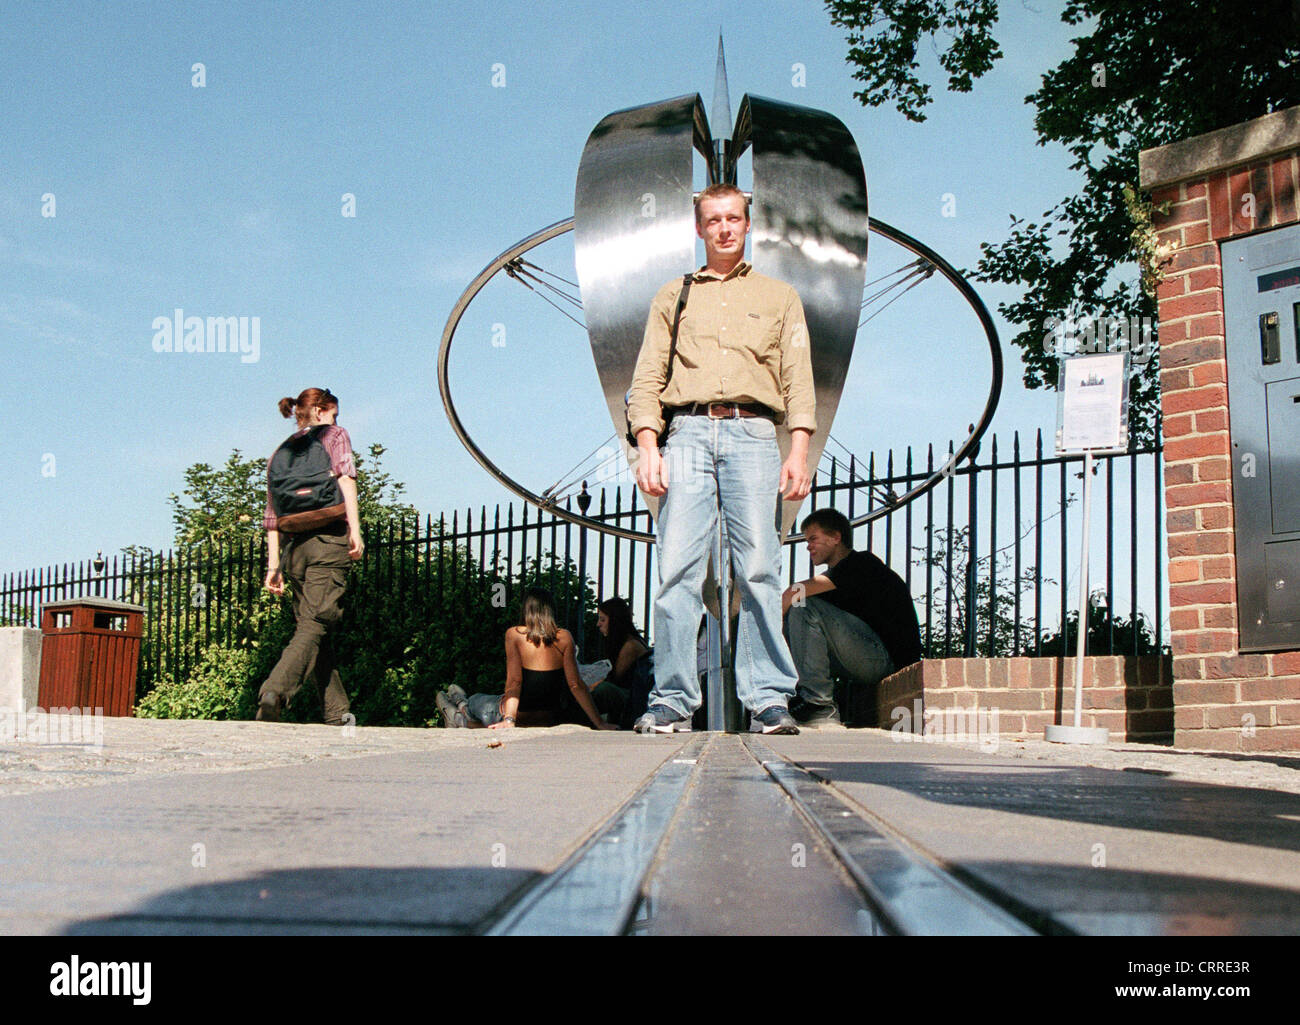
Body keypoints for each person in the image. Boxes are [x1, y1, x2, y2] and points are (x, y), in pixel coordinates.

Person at [627, 182, 816, 735]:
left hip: (754, 433)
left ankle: (769, 699)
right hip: (684, 432)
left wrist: (798, 450)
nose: (725, 228)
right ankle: (672, 700)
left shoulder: (780, 297)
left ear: (748, 223)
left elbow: (797, 378)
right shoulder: (673, 295)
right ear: (700, 228)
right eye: (714, 220)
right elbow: (646, 378)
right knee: (677, 569)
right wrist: (647, 448)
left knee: (759, 567)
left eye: (734, 218)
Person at [257, 388, 364, 724]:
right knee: (316, 623)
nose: (336, 420)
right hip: (328, 541)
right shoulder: (335, 435)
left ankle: (336, 712)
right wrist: (355, 530)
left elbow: (272, 514)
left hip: (294, 552)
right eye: (333, 413)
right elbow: (347, 481)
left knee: (317, 628)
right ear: (320, 410)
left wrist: (274, 565)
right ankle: (274, 691)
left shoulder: (281, 452)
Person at [781, 508, 922, 727]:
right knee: (796, 613)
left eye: (813, 539)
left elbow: (794, 592)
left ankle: (819, 704)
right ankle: (791, 696)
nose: (808, 546)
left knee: (802, 606)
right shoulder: (833, 584)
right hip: (865, 659)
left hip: (888, 662)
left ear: (836, 537)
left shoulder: (861, 563)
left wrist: (769, 625)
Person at [436, 588, 618, 731]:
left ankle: (461, 709)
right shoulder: (564, 637)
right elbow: (576, 685)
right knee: (489, 709)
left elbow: (515, 682)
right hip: (547, 717)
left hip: (516, 713)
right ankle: (459, 713)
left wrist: (509, 720)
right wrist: (600, 723)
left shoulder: (514, 635)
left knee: (477, 701)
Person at [593, 597, 652, 729]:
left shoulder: (630, 645)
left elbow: (614, 679)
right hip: (631, 696)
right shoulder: (624, 641)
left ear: (615, 621)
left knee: (602, 691)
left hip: (637, 700)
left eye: (603, 619)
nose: (598, 624)